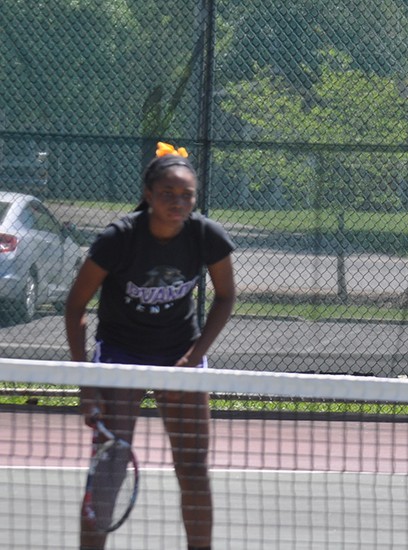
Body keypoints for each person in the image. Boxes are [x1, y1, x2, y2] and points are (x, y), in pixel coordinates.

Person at [66, 142, 236, 550]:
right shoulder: (118, 239)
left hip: (179, 355)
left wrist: (193, 358)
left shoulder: (206, 236)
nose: (178, 202)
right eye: (168, 194)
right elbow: (75, 307)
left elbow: (226, 296)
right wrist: (86, 385)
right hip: (120, 357)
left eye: (187, 195)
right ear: (149, 195)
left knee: (193, 468)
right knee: (110, 467)